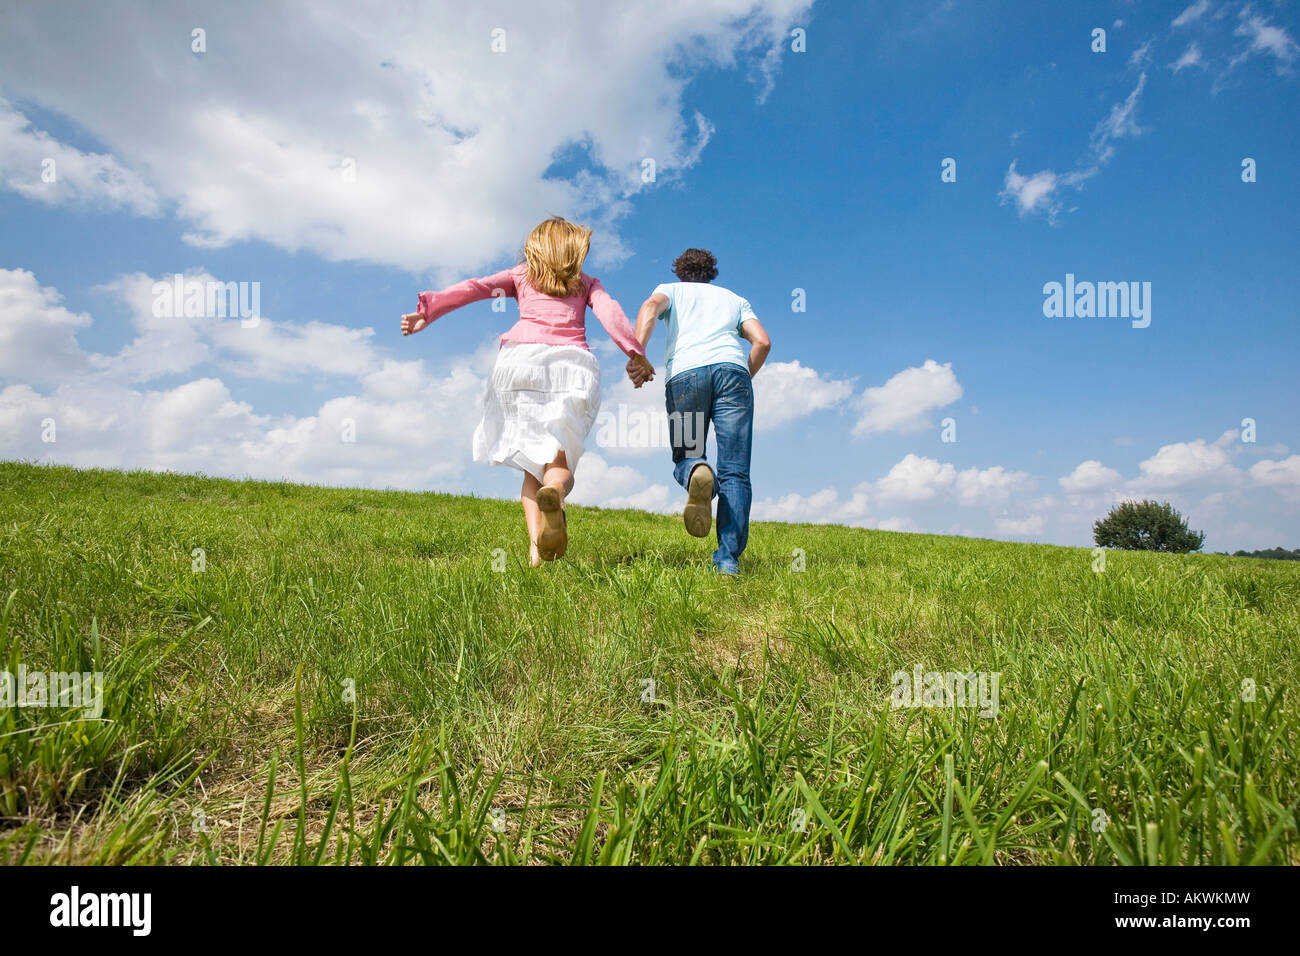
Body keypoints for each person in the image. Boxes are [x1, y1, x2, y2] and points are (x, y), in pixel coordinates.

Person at [402, 217, 654, 566]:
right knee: (558, 462)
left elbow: (475, 287)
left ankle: (538, 552)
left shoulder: (521, 275)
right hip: (572, 366)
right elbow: (610, 312)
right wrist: (635, 351)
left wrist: (427, 312)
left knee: (529, 469)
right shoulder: (586, 283)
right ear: (575, 249)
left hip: (519, 364)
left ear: (535, 246)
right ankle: (556, 496)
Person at [628, 248, 770, 575]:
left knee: (689, 453)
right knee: (735, 471)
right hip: (733, 372)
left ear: (680, 271)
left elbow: (650, 307)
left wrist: (637, 353)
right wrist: (741, 378)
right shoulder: (735, 299)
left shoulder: (670, 290)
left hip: (686, 375)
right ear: (712, 272)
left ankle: (696, 472)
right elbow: (762, 342)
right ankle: (727, 561)